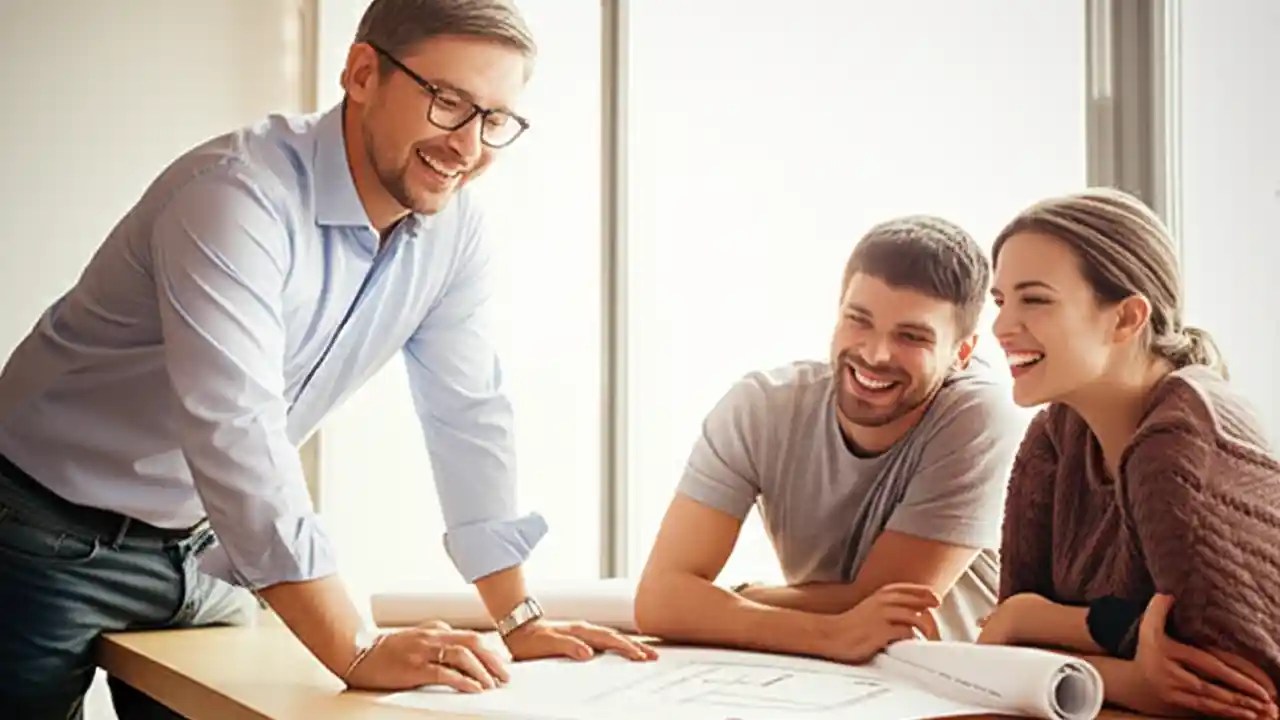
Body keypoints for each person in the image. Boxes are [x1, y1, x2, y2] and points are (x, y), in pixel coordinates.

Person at [0, 1, 656, 717]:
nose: (467, 147)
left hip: (206, 548)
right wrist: (356, 648)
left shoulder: (451, 229)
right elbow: (236, 430)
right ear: (362, 72)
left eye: (494, 119)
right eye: (447, 102)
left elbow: (467, 413)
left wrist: (515, 617)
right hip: (38, 531)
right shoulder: (233, 196)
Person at [634, 215, 1027, 662]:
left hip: (955, 687)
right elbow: (660, 600)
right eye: (859, 320)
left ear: (961, 353)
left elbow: (884, 608)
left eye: (911, 336)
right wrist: (826, 634)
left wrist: (730, 600)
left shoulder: (980, 415)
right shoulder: (760, 408)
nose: (876, 354)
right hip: (821, 676)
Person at [978, 187, 1280, 719]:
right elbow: (1001, 643)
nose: (1001, 327)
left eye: (1036, 299)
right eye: (1001, 301)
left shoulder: (1179, 447)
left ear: (1125, 318)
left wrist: (1040, 623)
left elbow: (1239, 692)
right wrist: (1116, 648)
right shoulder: (1054, 435)